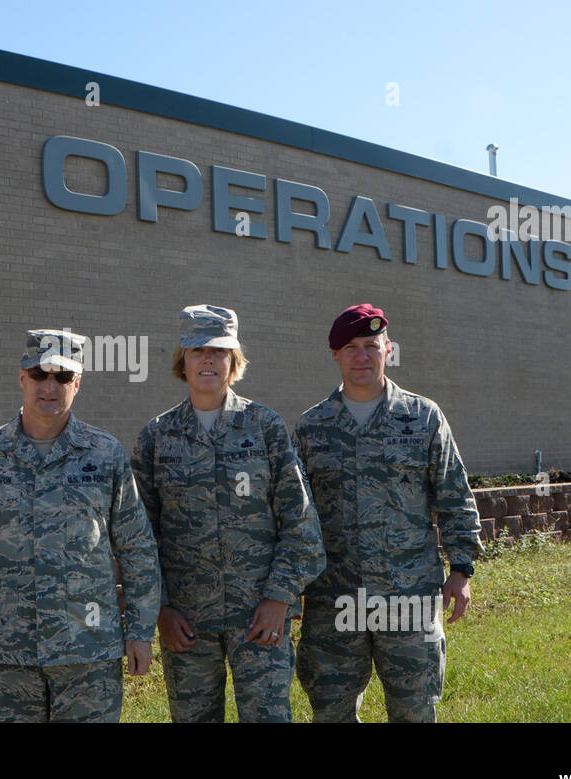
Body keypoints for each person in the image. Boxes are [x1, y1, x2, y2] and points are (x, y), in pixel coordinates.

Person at [0, 328, 160, 723]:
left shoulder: (105, 455)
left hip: (88, 653)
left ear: (78, 382)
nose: (49, 386)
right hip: (7, 655)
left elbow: (136, 547)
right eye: (39, 374)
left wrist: (140, 630)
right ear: (22, 378)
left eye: (62, 376)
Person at [131, 304, 325, 722]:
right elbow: (139, 538)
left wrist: (279, 598)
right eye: (197, 349)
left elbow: (300, 522)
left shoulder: (264, 427)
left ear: (234, 361)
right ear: (182, 359)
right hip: (186, 623)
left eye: (219, 351)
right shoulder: (157, 437)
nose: (207, 359)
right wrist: (160, 608)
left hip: (259, 617)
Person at [294, 303, 482, 723]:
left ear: (388, 350)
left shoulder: (423, 417)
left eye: (371, 346)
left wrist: (462, 568)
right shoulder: (311, 427)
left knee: (414, 710)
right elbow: (296, 515)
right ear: (335, 355)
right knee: (331, 710)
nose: (362, 356)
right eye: (351, 348)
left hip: (408, 593)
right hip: (334, 596)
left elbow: (452, 492)